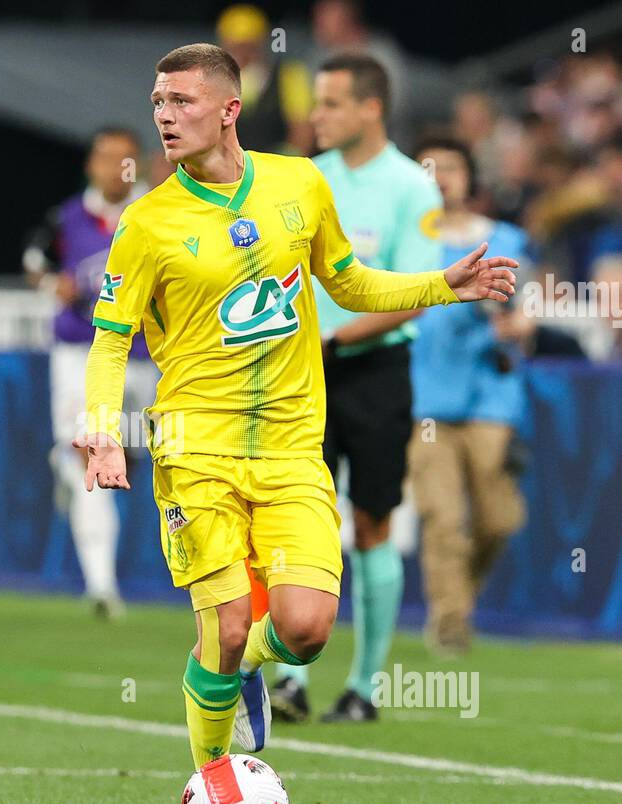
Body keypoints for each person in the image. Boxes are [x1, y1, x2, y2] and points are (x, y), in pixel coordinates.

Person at [75, 43, 517, 770]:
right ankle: (215, 784)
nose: (165, 116)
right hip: (196, 451)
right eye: (158, 103)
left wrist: (443, 283)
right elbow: (108, 343)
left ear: (228, 110)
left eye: (181, 102)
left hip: (290, 449)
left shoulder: (300, 183)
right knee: (221, 627)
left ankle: (250, 668)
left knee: (305, 629)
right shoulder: (148, 224)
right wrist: (100, 434)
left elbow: (349, 284)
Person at [266, 54, 444, 724]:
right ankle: (288, 675)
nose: (316, 116)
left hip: (372, 372)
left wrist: (335, 339)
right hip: (302, 370)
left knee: (372, 522)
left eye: (331, 103)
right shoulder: (306, 179)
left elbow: (414, 293)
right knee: (296, 516)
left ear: (371, 108)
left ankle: (364, 687)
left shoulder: (412, 189)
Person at [24, 128, 156, 618]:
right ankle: (102, 585)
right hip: (81, 353)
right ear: (90, 164)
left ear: (137, 164)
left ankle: (63, 461)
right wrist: (48, 284)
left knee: (145, 455)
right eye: (105, 158)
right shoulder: (66, 218)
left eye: (124, 160)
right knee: (95, 456)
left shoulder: (158, 213)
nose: (114, 169)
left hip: (145, 355)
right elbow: (34, 260)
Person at [408, 136, 532, 657]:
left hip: (489, 393)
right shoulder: (404, 242)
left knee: (499, 518)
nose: (440, 177)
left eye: (451, 167)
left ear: (469, 177)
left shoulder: (506, 238)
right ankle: (451, 619)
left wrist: (523, 323)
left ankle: (461, 596)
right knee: (441, 514)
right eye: (428, 167)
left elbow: (526, 308)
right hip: (422, 395)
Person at [215, 4, 314, 156]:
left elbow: (302, 133)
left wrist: (281, 167)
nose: (242, 55)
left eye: (249, 47)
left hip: (278, 166)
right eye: (235, 48)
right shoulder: (213, 83)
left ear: (262, 44)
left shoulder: (289, 75)